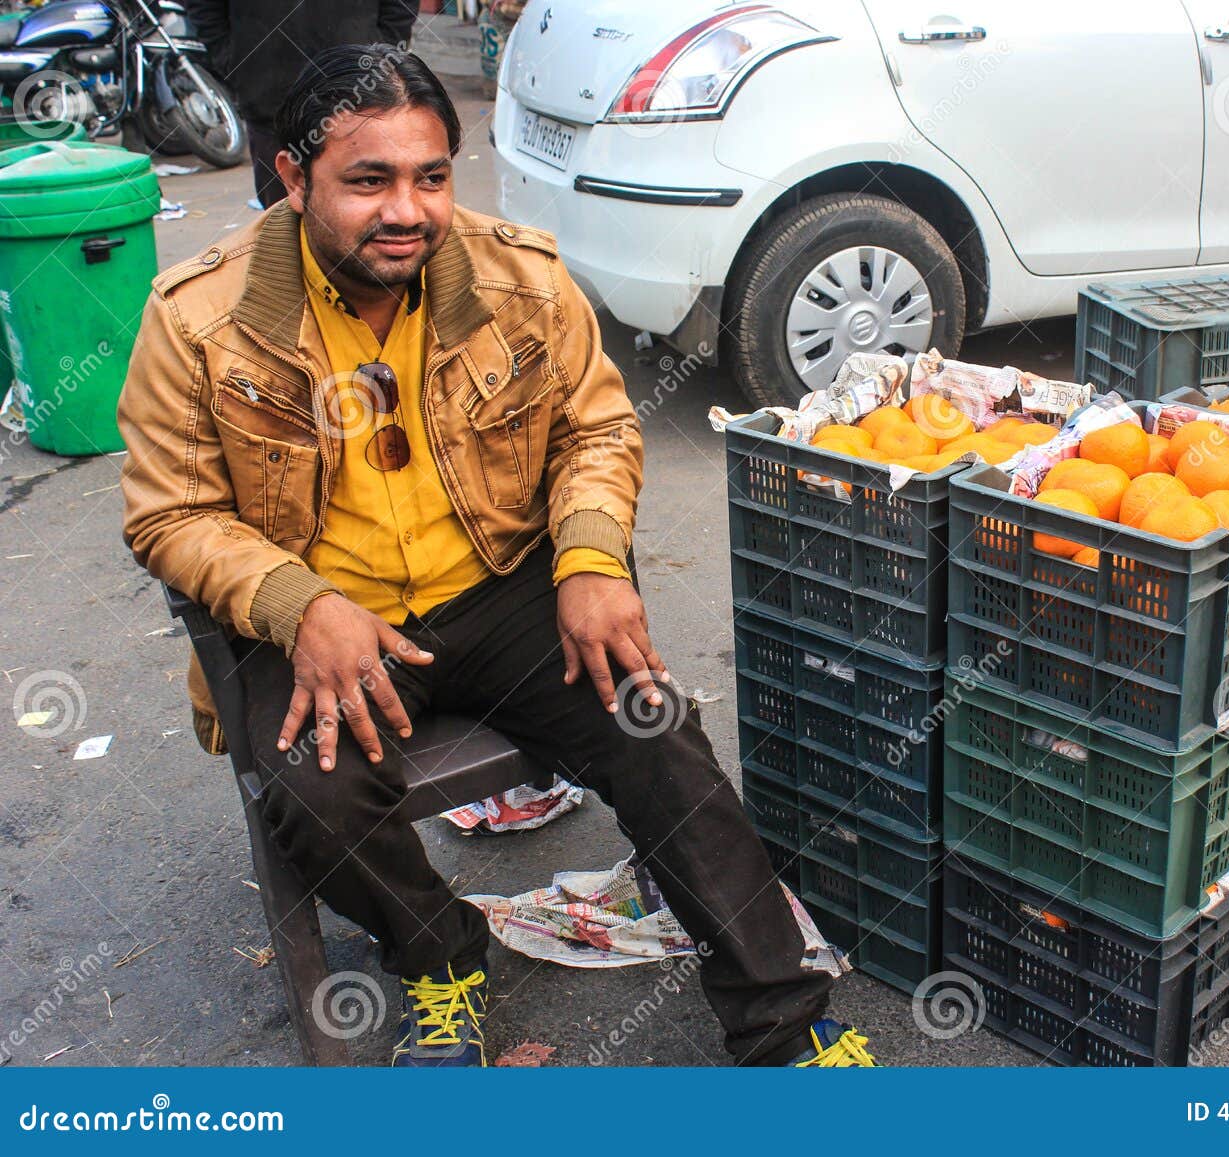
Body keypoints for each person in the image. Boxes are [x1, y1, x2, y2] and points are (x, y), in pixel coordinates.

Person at [116, 46, 878, 1069]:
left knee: (654, 728)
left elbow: (597, 428)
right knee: (312, 791)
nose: (407, 210)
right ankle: (440, 953)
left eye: (430, 176)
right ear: (293, 178)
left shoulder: (519, 275)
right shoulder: (199, 317)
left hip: (498, 584)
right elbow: (171, 513)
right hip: (332, 617)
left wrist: (592, 558)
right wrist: (298, 604)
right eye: (368, 180)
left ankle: (783, 1023)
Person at [186, 1, 417, 208]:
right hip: (267, 91)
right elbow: (205, 10)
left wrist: (381, 54)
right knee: (282, 215)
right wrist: (232, 61)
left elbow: (400, 11)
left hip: (359, 91)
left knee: (366, 206)